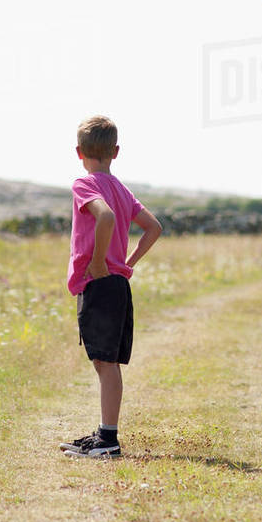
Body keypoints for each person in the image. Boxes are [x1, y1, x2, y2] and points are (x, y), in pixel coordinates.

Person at [60, 115, 162, 458]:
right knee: (106, 362)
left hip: (99, 282)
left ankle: (108, 440)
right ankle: (105, 433)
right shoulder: (121, 189)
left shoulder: (84, 184)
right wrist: (127, 264)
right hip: (116, 283)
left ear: (79, 152)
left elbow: (105, 216)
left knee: (105, 363)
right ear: (115, 152)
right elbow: (154, 228)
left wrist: (99, 263)